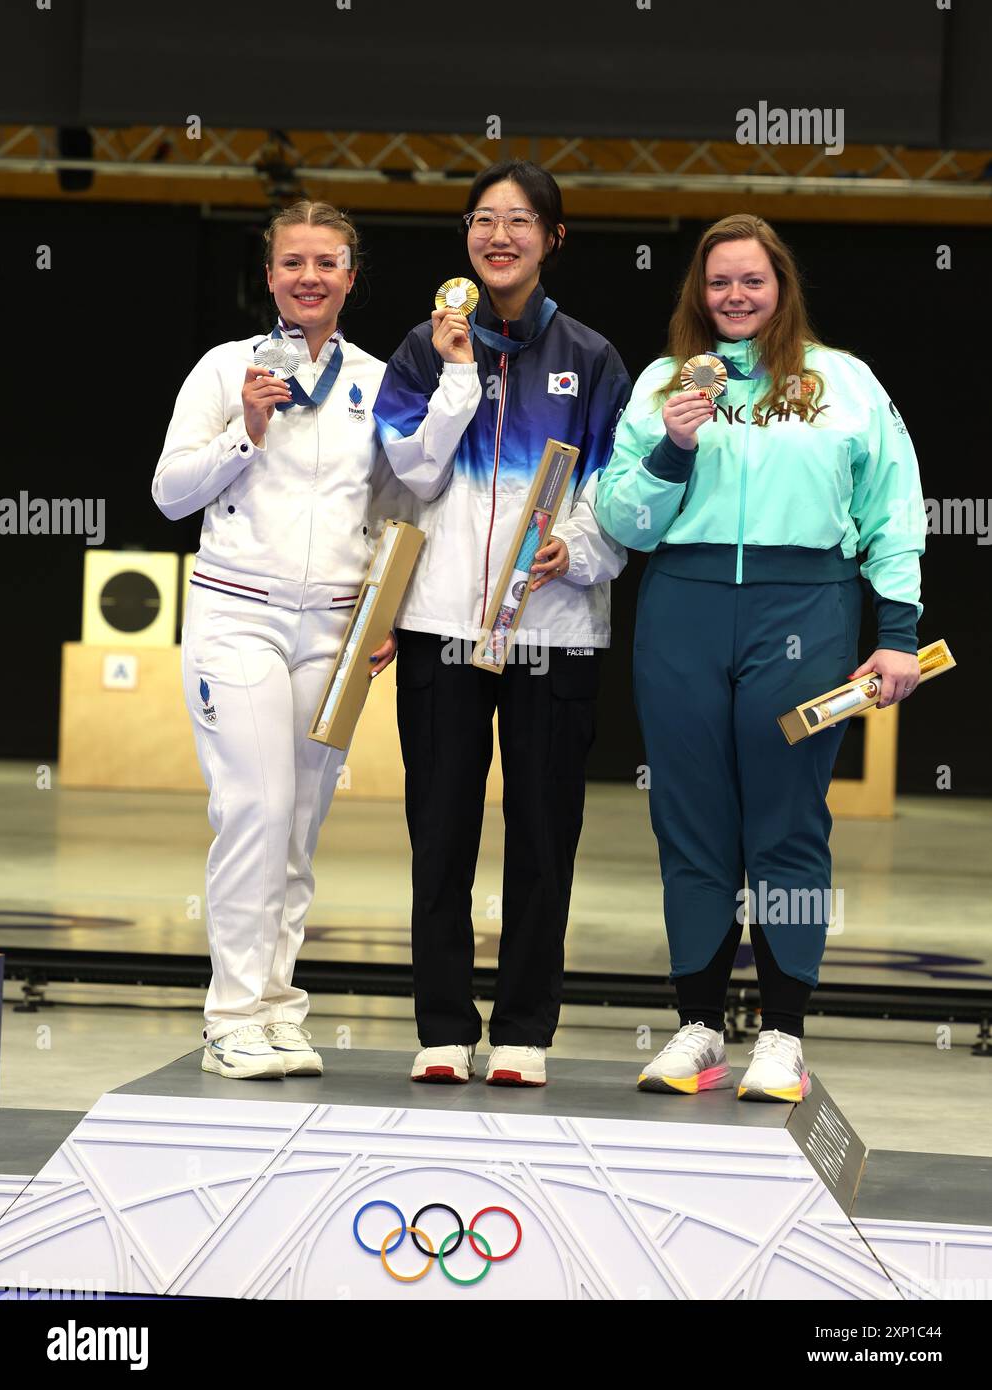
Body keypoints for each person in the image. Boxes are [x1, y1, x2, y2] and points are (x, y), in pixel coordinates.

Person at [595, 213, 926, 1102]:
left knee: (787, 821)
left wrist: (896, 634)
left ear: (781, 287)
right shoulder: (666, 383)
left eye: (751, 281)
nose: (734, 297)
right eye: (717, 283)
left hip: (807, 606)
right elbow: (620, 521)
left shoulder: (842, 382)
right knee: (690, 824)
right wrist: (672, 444)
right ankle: (699, 1029)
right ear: (695, 295)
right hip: (683, 609)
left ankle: (781, 1034)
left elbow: (893, 506)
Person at [373, 160, 631, 1087]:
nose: (499, 236)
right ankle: (443, 1023)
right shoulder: (419, 348)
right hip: (442, 624)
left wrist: (584, 551)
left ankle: (524, 1028)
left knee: (543, 831)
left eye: (520, 221)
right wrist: (452, 378)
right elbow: (411, 476)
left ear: (553, 239)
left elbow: (618, 491)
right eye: (483, 220)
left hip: (552, 629)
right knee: (436, 828)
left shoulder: (594, 360)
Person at [153, 200, 404, 1080]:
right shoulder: (225, 370)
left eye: (326, 263)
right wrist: (243, 433)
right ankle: (229, 1015)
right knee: (253, 809)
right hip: (238, 616)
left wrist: (383, 617)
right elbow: (169, 493)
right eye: (292, 262)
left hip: (333, 629)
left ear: (349, 275)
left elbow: (396, 510)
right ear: (269, 276)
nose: (309, 277)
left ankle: (275, 1006)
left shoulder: (377, 380)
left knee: (298, 823)